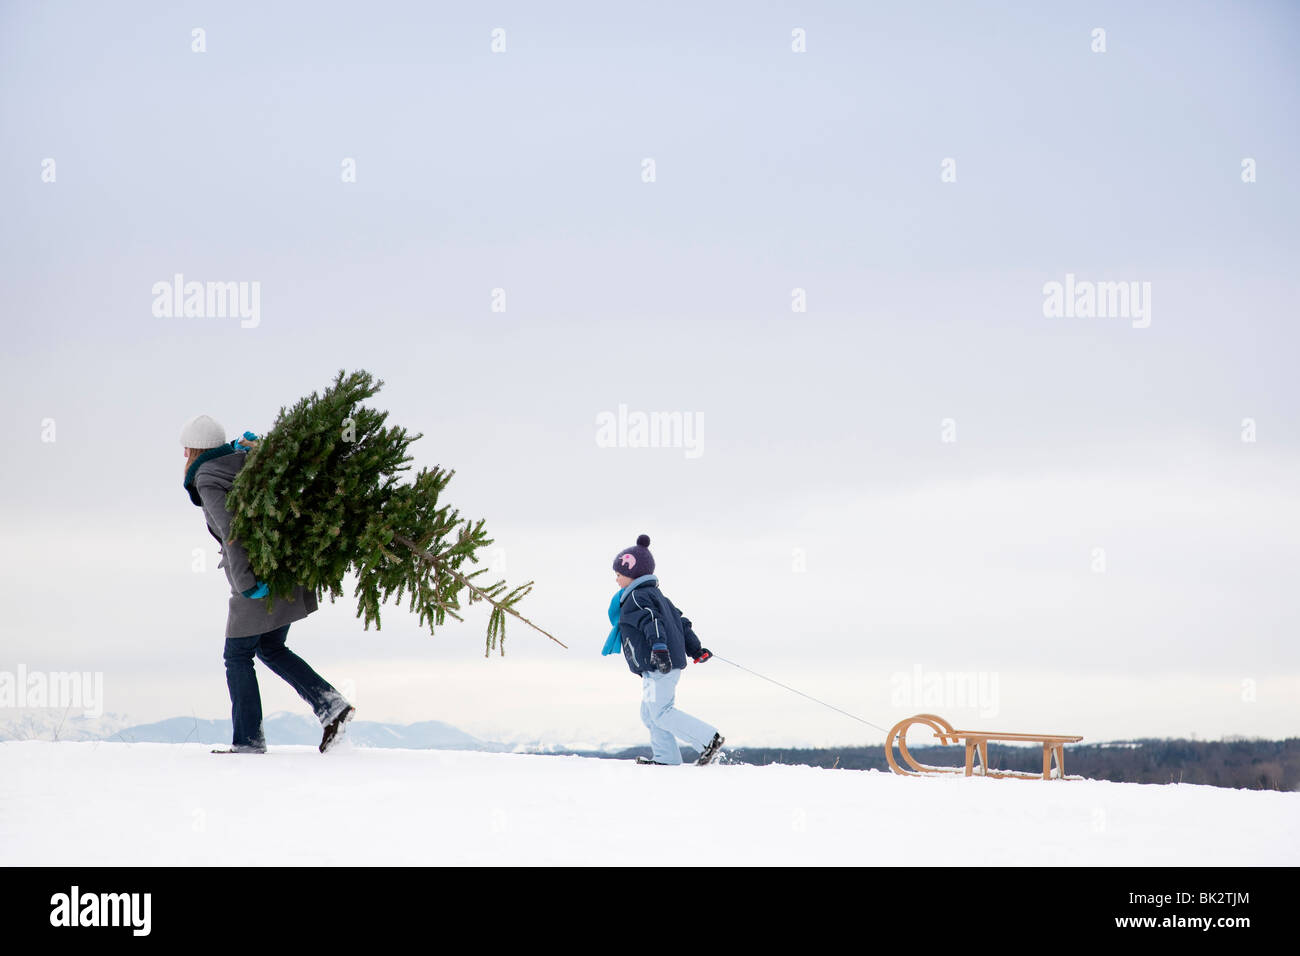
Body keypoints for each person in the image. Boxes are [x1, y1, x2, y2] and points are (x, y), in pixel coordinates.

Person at [180, 414, 354, 754]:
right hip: (286, 566)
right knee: (270, 647)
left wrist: (245, 584)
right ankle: (331, 705)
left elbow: (233, 532)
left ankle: (248, 741)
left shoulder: (206, 476)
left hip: (258, 573)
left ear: (192, 450)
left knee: (237, 656)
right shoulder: (241, 460)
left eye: (185, 452)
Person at [608, 534, 724, 766]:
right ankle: (666, 758)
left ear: (633, 574)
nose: (617, 580)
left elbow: (653, 622)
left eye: (619, 575)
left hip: (660, 664)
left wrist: (659, 649)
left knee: (660, 712)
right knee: (650, 714)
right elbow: (680, 622)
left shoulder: (637, 598)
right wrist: (695, 649)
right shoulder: (656, 596)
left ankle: (708, 739)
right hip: (653, 669)